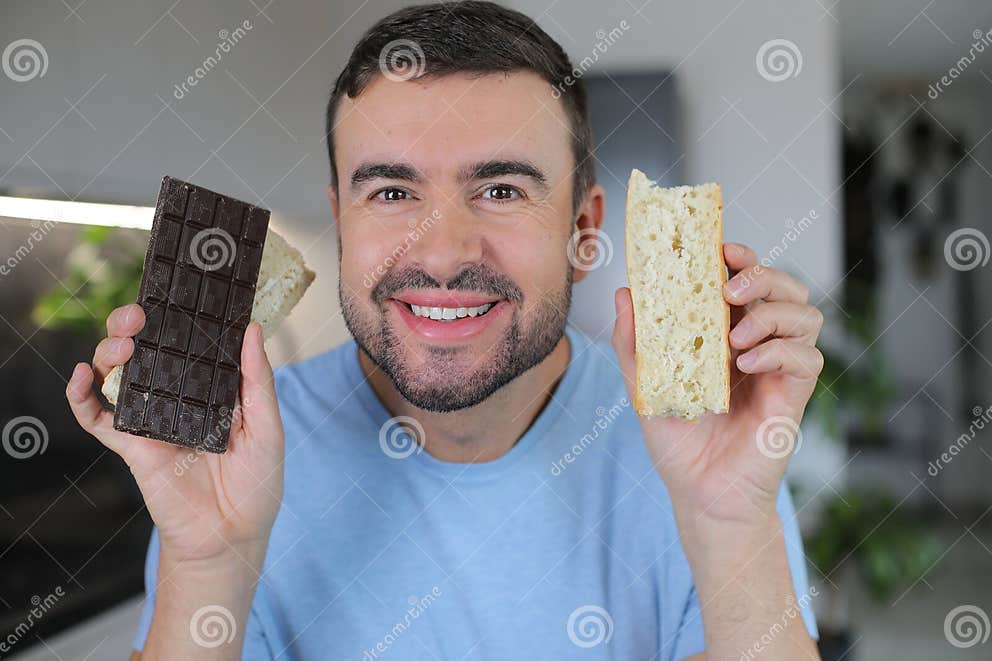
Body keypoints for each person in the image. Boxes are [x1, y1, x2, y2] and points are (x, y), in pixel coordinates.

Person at [66, 2, 825, 659]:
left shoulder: (701, 442)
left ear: (585, 229)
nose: (441, 250)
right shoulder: (235, 451)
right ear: (342, 218)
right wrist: (208, 559)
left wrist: (729, 520)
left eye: (500, 189)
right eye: (392, 191)